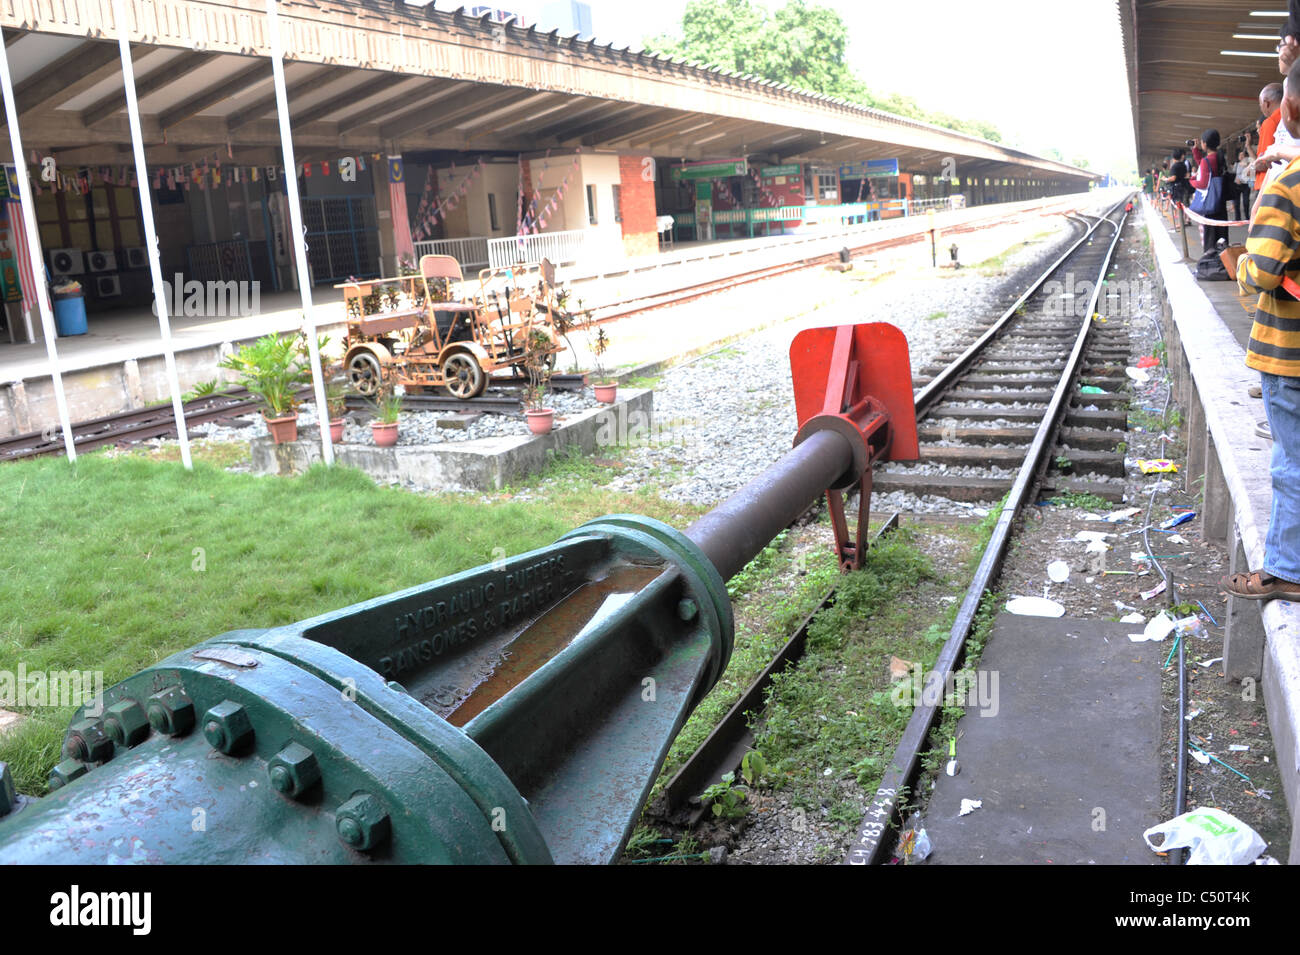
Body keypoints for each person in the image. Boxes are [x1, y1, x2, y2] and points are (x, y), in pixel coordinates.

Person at [1226, 57, 1300, 602]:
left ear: (1289, 109)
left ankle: (1286, 570)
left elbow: (1265, 269)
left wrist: (1244, 262)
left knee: (1291, 463)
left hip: (1289, 352)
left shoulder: (1287, 186)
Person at [1189, 129, 1229, 251]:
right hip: (1220, 200)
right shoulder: (1219, 157)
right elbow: (1205, 165)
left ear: (1205, 144)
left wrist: (1191, 181)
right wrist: (1195, 150)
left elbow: (1203, 183)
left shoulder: (1208, 160)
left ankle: (1211, 263)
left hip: (1210, 203)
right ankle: (1224, 260)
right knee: (1221, 235)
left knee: (1211, 236)